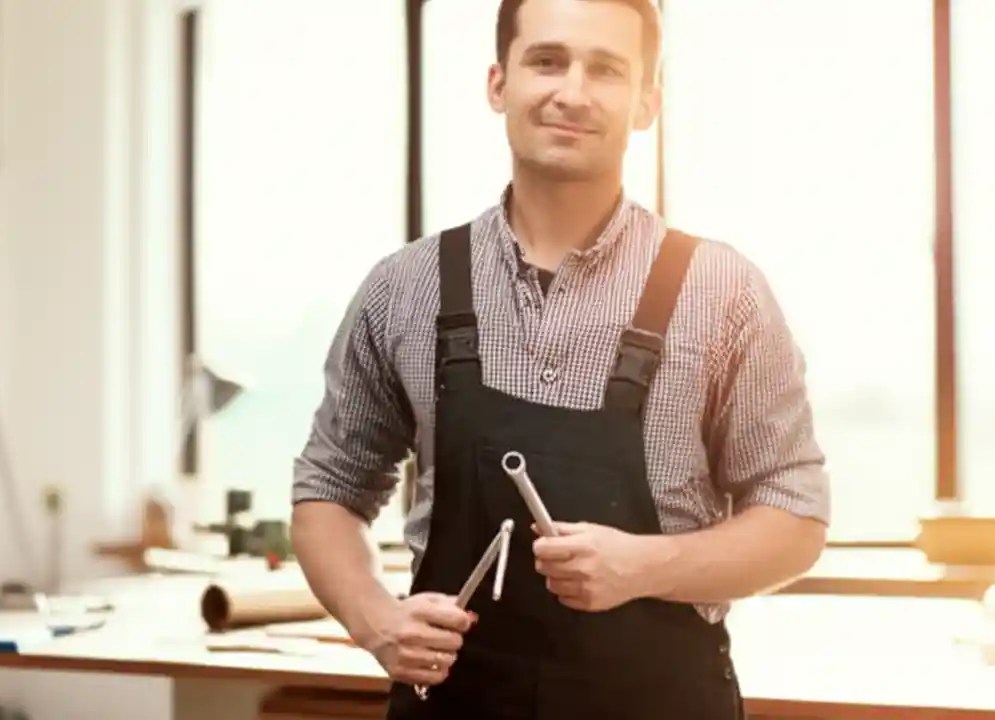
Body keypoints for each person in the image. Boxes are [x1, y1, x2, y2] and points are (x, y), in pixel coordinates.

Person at [290, 0, 829, 717]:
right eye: (546, 61)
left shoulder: (722, 293)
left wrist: (645, 567)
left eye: (605, 69)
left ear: (646, 103)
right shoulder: (405, 288)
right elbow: (330, 485)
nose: (571, 92)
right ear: (497, 83)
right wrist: (375, 620)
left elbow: (795, 518)